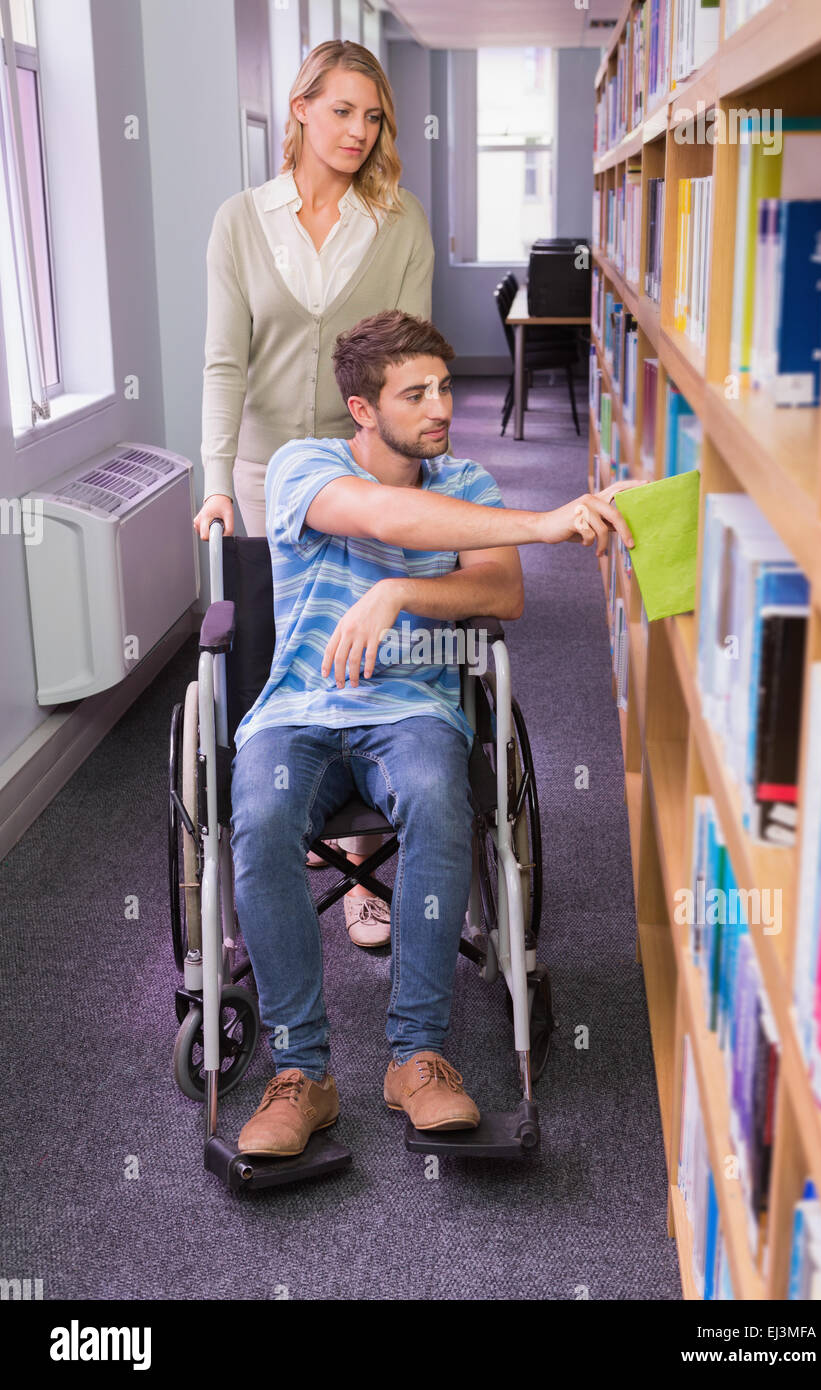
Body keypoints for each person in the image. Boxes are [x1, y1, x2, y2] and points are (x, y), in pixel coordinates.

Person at [229, 310, 640, 1157]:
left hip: (411, 710)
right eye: (414, 393)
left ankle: (417, 1055)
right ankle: (302, 1073)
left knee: (436, 795)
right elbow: (386, 519)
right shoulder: (302, 464)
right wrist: (546, 522)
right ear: (362, 409)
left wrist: (401, 597)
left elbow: (502, 596)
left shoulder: (470, 483)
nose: (441, 406)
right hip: (300, 709)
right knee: (262, 820)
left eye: (445, 386)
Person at [194, 40, 433, 944]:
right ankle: (279, 839)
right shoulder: (241, 221)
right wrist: (216, 481)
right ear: (299, 108)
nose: (358, 132)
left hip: (359, 472)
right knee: (272, 657)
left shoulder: (399, 220)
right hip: (261, 468)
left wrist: (410, 474)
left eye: (372, 118)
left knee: (363, 655)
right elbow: (225, 359)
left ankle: (367, 874)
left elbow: (410, 357)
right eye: (341, 111)